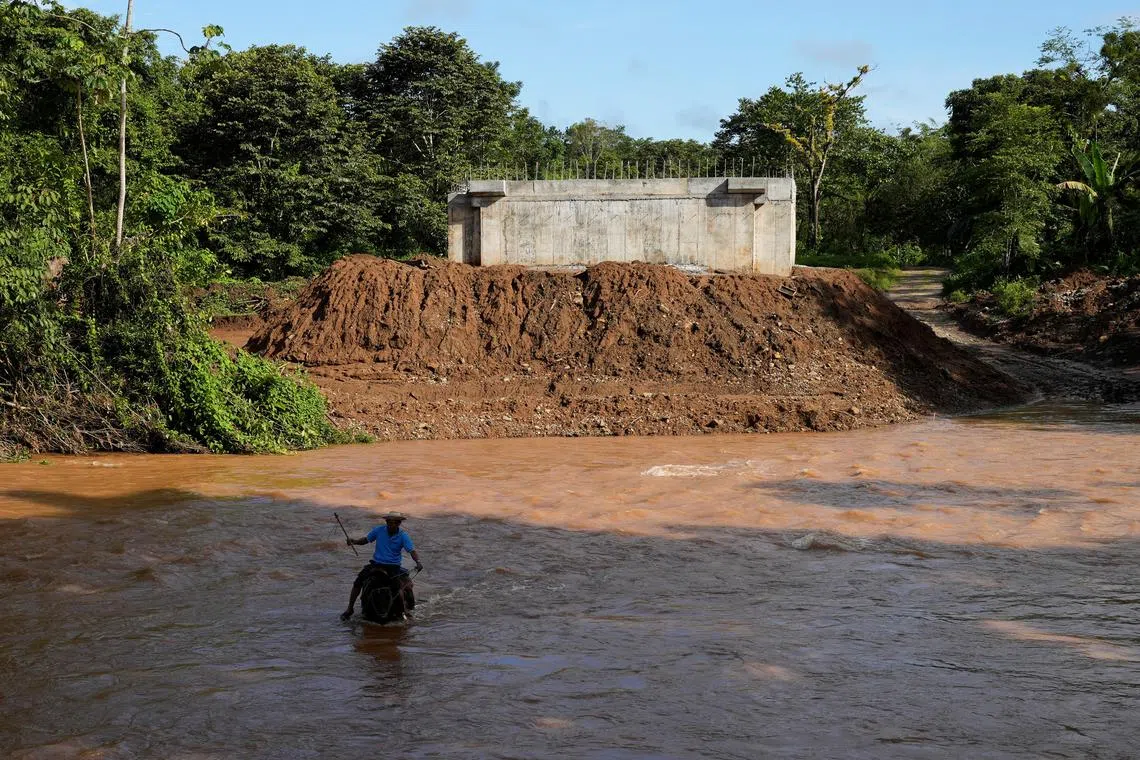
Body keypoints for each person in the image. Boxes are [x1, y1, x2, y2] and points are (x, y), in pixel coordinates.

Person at [341, 511, 423, 621]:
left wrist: (418, 561)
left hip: (393, 566)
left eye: (395, 523)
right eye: (390, 522)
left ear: (399, 523)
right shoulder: (378, 530)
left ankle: (403, 612)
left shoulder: (403, 536)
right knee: (357, 582)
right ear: (387, 522)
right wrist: (354, 541)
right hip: (376, 564)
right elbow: (366, 540)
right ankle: (350, 609)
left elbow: (412, 551)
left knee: (397, 588)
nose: (392, 525)